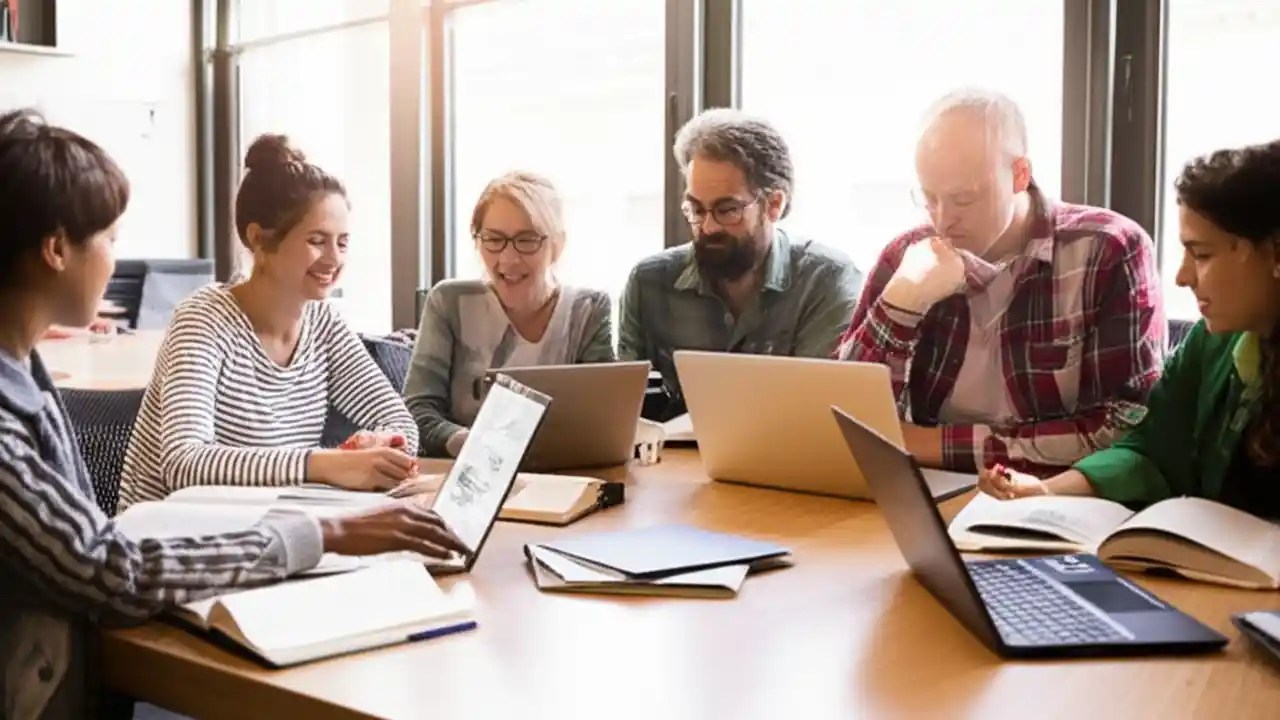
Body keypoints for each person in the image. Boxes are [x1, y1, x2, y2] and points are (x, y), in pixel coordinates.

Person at [0, 109, 467, 720]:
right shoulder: (17, 404)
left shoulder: (24, 365)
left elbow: (391, 414)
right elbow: (110, 566)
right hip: (89, 652)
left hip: (183, 587)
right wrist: (326, 520)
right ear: (57, 249)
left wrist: (376, 454)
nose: (118, 262)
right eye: (112, 240)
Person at [835, 88, 1166, 475]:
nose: (943, 219)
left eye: (963, 199)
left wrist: (925, 443)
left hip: (1054, 493)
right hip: (924, 484)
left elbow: (1122, 429)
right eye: (929, 198)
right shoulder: (909, 255)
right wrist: (902, 302)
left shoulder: (1107, 250)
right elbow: (843, 416)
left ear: (1019, 176)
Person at [115, 134, 420, 511]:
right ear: (258, 238)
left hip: (269, 533)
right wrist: (326, 465)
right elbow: (184, 463)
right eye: (316, 240)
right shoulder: (203, 319)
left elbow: (399, 421)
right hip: (172, 543)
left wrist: (378, 447)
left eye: (342, 243)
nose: (333, 259)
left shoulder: (322, 323)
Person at [980, 139, 1280, 519]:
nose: (1182, 276)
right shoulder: (1213, 342)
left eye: (1202, 254)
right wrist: (1043, 490)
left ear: (1275, 252)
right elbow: (1149, 452)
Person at [619, 108, 863, 419]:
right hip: (673, 462)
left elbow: (821, 410)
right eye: (695, 209)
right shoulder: (650, 282)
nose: (707, 228)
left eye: (727, 209)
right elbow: (626, 413)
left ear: (774, 204)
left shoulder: (827, 280)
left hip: (785, 461)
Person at [404, 171, 613, 457]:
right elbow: (417, 411)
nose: (508, 259)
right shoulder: (450, 303)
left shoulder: (588, 309)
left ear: (557, 245)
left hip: (561, 477)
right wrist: (471, 445)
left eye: (527, 240)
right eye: (494, 239)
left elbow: (604, 420)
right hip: (459, 476)